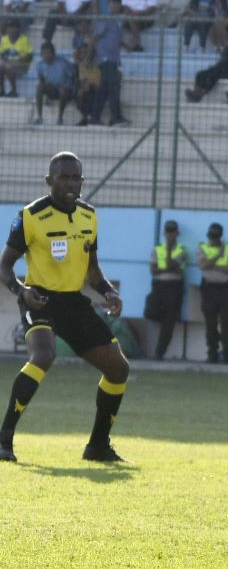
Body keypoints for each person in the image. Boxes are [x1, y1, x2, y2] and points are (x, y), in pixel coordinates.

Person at [0, 152, 132, 462]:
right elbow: (4, 265)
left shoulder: (89, 216)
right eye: (64, 177)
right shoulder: (31, 215)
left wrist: (109, 291)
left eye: (77, 178)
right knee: (44, 355)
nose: (71, 184)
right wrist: (21, 291)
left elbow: (93, 271)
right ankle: (4, 439)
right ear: (50, 180)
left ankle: (97, 446)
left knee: (118, 369)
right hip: (40, 298)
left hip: (74, 302)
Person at [146, 219, 189, 359]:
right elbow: (153, 271)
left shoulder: (181, 250)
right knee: (151, 311)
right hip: (159, 285)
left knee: (169, 320)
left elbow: (177, 269)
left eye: (173, 233)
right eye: (168, 232)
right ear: (164, 233)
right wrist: (169, 268)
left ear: (177, 234)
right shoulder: (157, 249)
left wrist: (166, 260)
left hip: (174, 286)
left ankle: (160, 352)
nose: (170, 235)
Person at [197, 222, 228, 364]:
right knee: (211, 323)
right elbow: (203, 265)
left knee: (227, 322)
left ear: (220, 237)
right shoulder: (203, 247)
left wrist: (213, 264)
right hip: (209, 288)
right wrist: (218, 257)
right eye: (212, 237)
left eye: (216, 237)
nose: (213, 240)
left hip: (224, 289)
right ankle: (212, 353)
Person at [31, 41, 77, 126]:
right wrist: (46, 85)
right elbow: (41, 80)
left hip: (66, 91)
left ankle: (60, 118)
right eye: (44, 53)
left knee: (63, 90)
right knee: (39, 87)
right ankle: (39, 117)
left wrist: (70, 88)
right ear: (41, 55)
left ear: (53, 53)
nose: (46, 55)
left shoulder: (63, 63)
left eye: (48, 52)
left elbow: (73, 76)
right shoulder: (40, 65)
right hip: (53, 90)